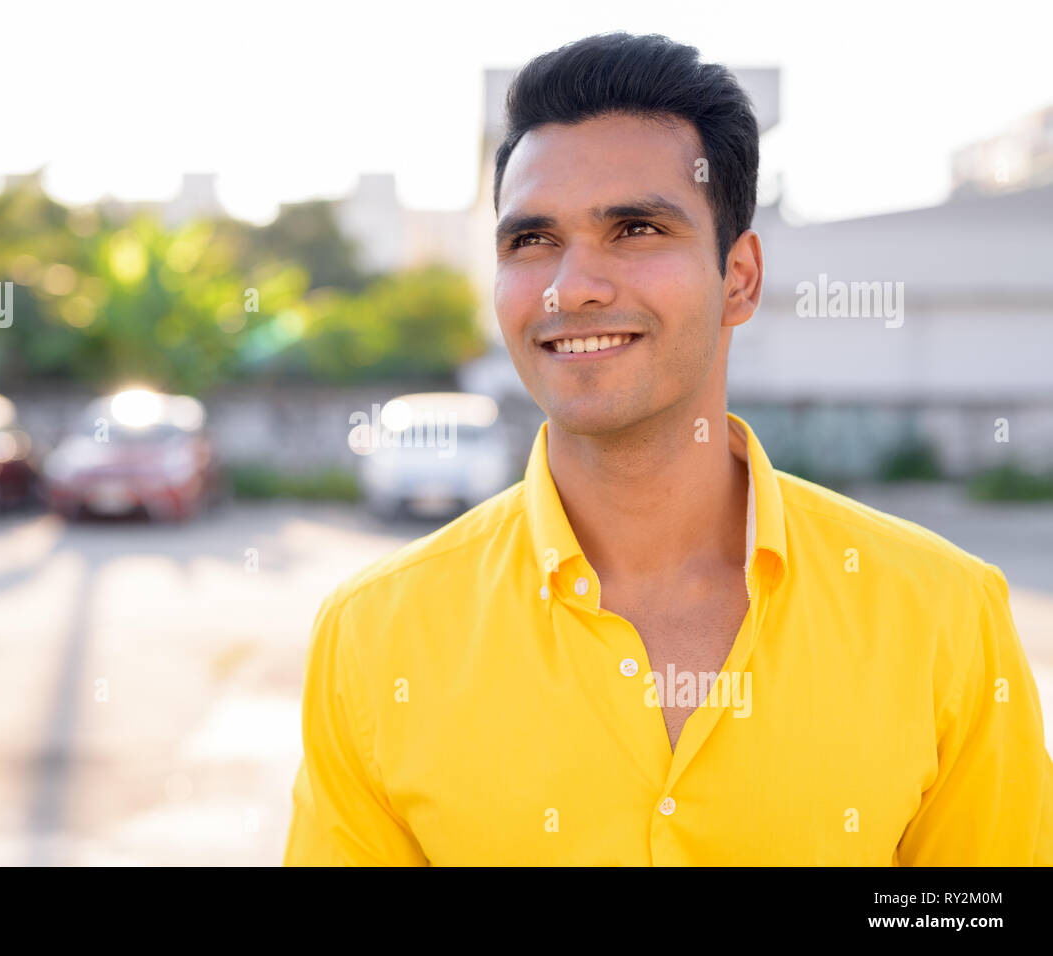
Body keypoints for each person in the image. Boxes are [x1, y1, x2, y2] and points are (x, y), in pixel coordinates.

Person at [282, 31, 1053, 865]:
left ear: (741, 279)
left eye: (638, 229)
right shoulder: (375, 638)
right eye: (530, 241)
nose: (571, 285)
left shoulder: (942, 613)